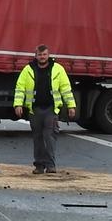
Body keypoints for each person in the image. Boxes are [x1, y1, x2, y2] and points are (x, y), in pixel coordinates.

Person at [12, 44, 77, 174]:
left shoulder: (58, 69)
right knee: (37, 138)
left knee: (49, 137)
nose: (42, 57)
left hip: (51, 110)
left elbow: (65, 88)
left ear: (48, 55)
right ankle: (39, 166)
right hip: (34, 110)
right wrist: (18, 104)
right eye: (40, 55)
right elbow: (20, 88)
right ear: (36, 56)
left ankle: (51, 165)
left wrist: (71, 105)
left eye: (44, 54)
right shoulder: (28, 70)